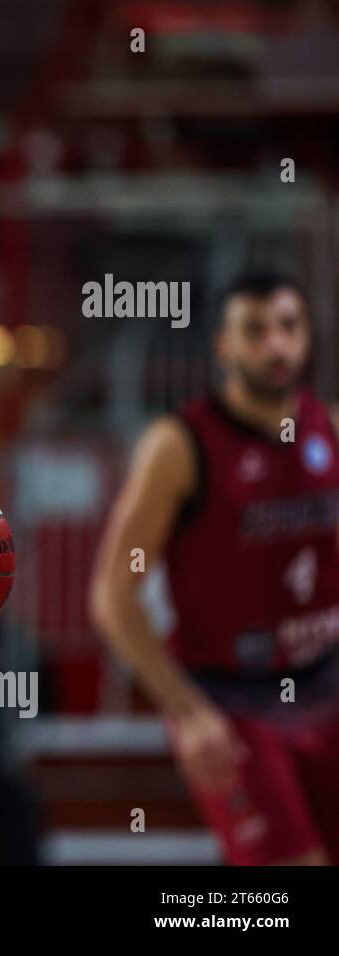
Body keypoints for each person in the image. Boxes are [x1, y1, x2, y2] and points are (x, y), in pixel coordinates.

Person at [91, 273, 339, 865]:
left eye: (288, 327)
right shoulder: (179, 445)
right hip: (230, 703)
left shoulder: (327, 427)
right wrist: (186, 711)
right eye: (255, 331)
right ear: (223, 347)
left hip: (326, 684)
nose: (276, 346)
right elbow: (111, 596)